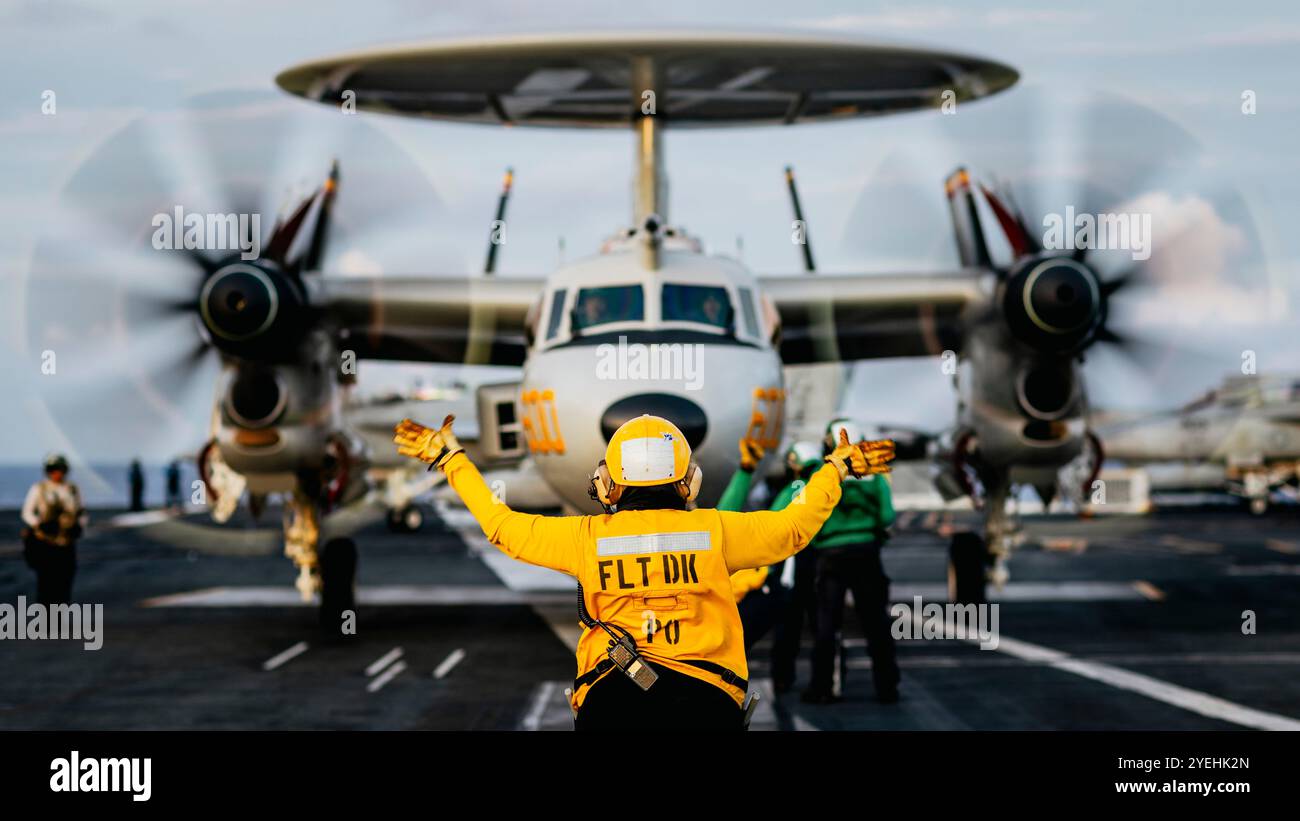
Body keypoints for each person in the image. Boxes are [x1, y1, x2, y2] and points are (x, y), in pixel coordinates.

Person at [395, 413, 892, 731]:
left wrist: (451, 458)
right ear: (688, 480)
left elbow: (501, 526)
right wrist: (836, 470)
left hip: (612, 703)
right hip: (708, 703)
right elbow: (792, 530)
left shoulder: (586, 538)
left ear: (610, 485)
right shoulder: (715, 531)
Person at [804, 417, 900, 705]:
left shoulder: (822, 473)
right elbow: (887, 517)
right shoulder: (876, 475)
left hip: (831, 556)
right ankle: (887, 687)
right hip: (866, 553)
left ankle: (824, 687)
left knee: (827, 625)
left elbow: (810, 516)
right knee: (876, 623)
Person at [21, 454, 87, 605]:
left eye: (59, 469)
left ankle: (58, 622)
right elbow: (27, 512)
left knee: (64, 585)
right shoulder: (40, 489)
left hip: (66, 542)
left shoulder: (72, 489)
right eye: (53, 470)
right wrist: (38, 524)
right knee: (46, 585)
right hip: (46, 543)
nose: (56, 473)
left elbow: (81, 512)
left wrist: (78, 526)